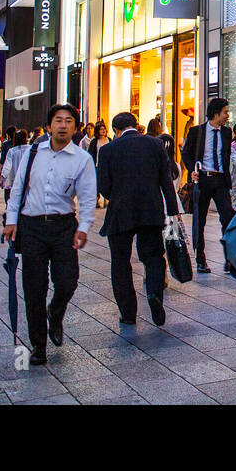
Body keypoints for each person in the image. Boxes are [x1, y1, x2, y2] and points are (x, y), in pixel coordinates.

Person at [2, 104, 97, 366]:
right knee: (34, 289)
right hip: (31, 227)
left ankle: (55, 313)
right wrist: (11, 221)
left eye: (68, 121)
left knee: (68, 281)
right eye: (58, 120)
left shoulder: (82, 159)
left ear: (75, 128)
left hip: (63, 226)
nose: (63, 125)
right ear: (49, 126)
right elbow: (18, 187)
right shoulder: (33, 153)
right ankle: (38, 345)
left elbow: (88, 198)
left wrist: (83, 227)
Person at [97, 111, 181, 327]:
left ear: (116, 130)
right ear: (136, 125)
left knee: (120, 262)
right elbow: (166, 180)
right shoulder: (155, 145)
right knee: (153, 256)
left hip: (120, 213)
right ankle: (154, 293)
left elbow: (104, 187)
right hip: (150, 210)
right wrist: (173, 210)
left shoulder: (107, 150)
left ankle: (128, 312)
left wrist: (117, 195)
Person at [181, 97, 236, 275]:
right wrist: (192, 169)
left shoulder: (227, 133)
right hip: (203, 179)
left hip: (221, 180)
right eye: (225, 112)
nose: (227, 115)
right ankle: (200, 260)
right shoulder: (197, 132)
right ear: (216, 113)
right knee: (200, 220)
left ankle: (229, 259)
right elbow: (186, 154)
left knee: (228, 218)